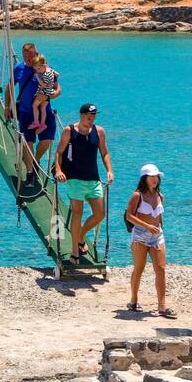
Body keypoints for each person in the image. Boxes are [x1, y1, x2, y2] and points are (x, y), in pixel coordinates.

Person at [54, 103, 114, 267]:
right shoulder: (69, 131)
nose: (91, 118)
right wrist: (59, 170)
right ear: (81, 115)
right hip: (74, 179)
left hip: (93, 178)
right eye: (89, 115)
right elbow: (59, 152)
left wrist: (109, 170)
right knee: (77, 214)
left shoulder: (99, 131)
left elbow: (104, 152)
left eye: (94, 116)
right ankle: (75, 251)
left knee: (100, 214)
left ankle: (80, 234)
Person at [125, 163, 175, 318]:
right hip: (140, 235)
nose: (155, 179)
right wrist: (146, 226)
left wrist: (160, 229)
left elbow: (159, 216)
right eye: (152, 177)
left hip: (157, 236)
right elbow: (129, 216)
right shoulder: (137, 195)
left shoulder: (160, 196)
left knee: (160, 268)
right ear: (144, 178)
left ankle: (162, 305)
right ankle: (133, 300)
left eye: (156, 177)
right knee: (139, 268)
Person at [12, 42, 61, 192]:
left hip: (45, 109)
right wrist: (8, 106)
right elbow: (10, 86)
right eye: (25, 56)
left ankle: (35, 161)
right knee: (29, 143)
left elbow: (57, 88)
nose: (28, 58)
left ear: (36, 54)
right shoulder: (19, 68)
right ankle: (30, 173)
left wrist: (54, 94)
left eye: (31, 55)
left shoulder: (46, 69)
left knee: (46, 141)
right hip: (26, 112)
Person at [28, 54, 59, 132]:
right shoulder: (50, 70)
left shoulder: (45, 74)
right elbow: (57, 74)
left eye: (39, 68)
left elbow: (43, 84)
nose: (38, 71)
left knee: (34, 106)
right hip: (48, 93)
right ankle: (43, 124)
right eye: (36, 69)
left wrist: (37, 77)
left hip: (43, 93)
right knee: (42, 108)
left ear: (44, 65)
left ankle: (36, 122)